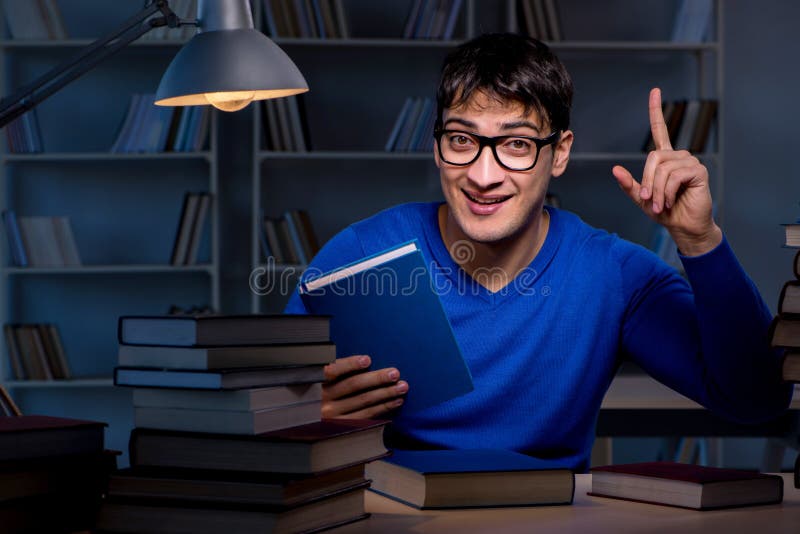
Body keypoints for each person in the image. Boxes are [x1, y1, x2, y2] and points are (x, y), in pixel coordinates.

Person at [284, 33, 792, 471]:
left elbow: (758, 401)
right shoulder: (361, 253)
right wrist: (304, 417)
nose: (484, 176)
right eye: (461, 140)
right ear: (436, 144)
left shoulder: (614, 274)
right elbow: (258, 421)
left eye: (518, 145)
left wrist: (700, 243)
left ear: (560, 153)